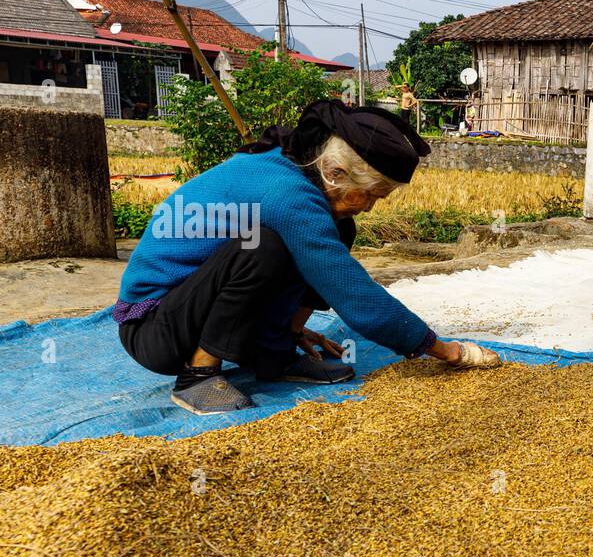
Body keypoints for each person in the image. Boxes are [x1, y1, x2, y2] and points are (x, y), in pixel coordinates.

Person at [114, 98, 500, 415]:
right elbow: (349, 290)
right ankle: (198, 375)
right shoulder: (286, 193)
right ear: (334, 172)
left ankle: (275, 354)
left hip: (195, 307)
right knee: (262, 246)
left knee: (337, 228)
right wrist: (443, 349)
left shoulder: (299, 169)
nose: (368, 208)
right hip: (155, 328)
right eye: (370, 195)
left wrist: (287, 328)